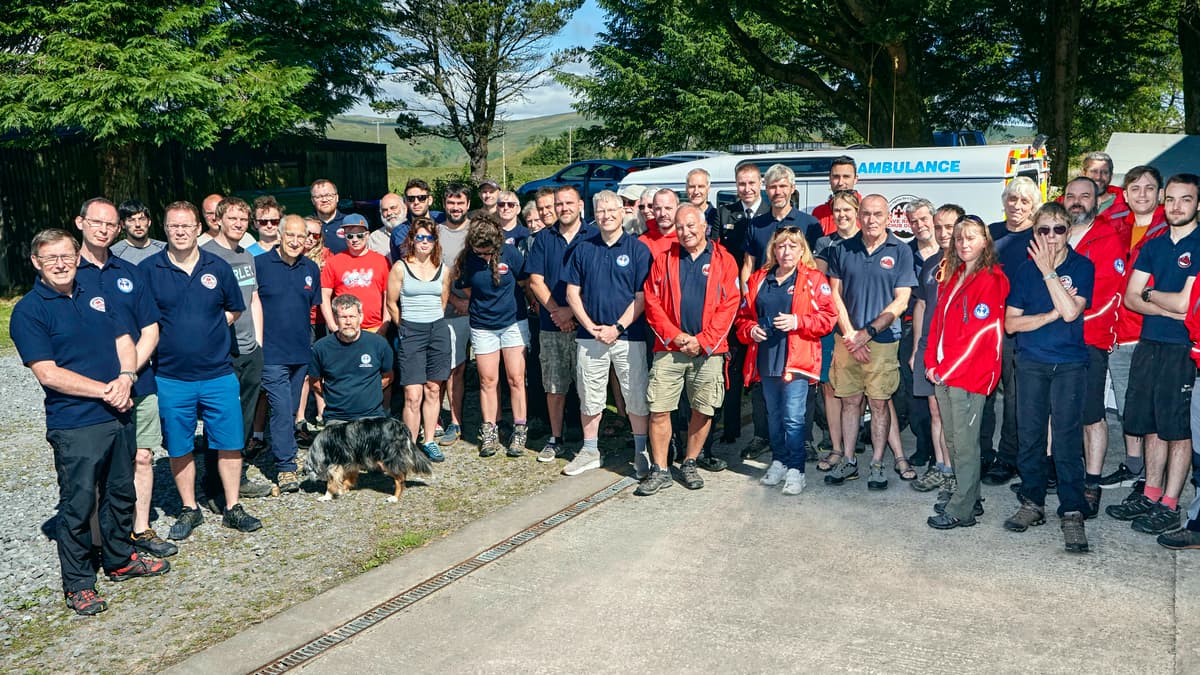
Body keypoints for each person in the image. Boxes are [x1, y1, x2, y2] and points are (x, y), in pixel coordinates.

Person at [11, 228, 170, 616]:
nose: (62, 264)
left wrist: (126, 377)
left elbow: (124, 340)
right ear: (36, 263)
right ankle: (79, 583)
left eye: (66, 256)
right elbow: (48, 373)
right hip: (76, 424)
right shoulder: (30, 310)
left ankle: (120, 559)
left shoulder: (97, 295)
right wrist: (105, 389)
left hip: (118, 411)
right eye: (51, 258)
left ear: (77, 257)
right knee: (79, 503)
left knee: (120, 493)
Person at [144, 201, 260, 540]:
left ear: (199, 228)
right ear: (165, 229)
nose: (180, 232)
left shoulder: (218, 267)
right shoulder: (150, 270)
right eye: (173, 226)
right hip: (171, 376)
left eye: (186, 226)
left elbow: (235, 309)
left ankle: (232, 506)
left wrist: (207, 329)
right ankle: (189, 507)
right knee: (179, 446)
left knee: (229, 443)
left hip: (218, 374)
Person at [75, 199, 174, 559]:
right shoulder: (69, 274)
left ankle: (140, 527)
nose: (103, 229)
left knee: (143, 457)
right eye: (96, 222)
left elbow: (150, 329)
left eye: (110, 224)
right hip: (93, 388)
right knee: (99, 464)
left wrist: (129, 374)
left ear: (118, 230)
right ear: (80, 223)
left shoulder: (131, 273)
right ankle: (101, 540)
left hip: (138, 382)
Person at [1109, 174, 1200, 536]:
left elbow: (1185, 305)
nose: (1177, 206)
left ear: (1198, 204)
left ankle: (1170, 503)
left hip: (1183, 349)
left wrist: (1151, 295)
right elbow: (1132, 297)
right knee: (1148, 423)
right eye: (1172, 199)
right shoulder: (1154, 244)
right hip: (1149, 344)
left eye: (1187, 200)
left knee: (1176, 429)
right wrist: (1163, 303)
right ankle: (1150, 492)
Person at [1002, 202, 1093, 553]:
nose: (1051, 237)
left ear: (1068, 230)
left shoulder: (1082, 266)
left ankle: (1072, 510)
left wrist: (1049, 273)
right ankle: (1032, 502)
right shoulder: (1024, 272)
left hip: (1070, 363)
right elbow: (1011, 324)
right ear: (1034, 234)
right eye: (1043, 230)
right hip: (1031, 362)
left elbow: (1072, 313)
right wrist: (1047, 315)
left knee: (1068, 440)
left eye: (1058, 229)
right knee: (1030, 435)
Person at [639, 204, 741, 495]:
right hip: (670, 349)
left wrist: (704, 340)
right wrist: (676, 337)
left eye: (691, 225)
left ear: (705, 226)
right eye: (680, 227)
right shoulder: (664, 259)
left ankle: (690, 461)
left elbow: (730, 304)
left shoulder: (725, 260)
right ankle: (660, 469)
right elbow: (652, 301)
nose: (685, 232)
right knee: (659, 408)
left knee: (703, 408)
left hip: (709, 350)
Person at [823, 194, 917, 490]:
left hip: (884, 340)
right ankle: (849, 461)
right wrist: (851, 334)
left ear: (888, 217)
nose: (871, 220)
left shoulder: (900, 251)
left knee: (879, 403)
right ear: (858, 216)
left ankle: (877, 464)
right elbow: (833, 294)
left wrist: (869, 333)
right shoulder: (841, 249)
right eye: (866, 214)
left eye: (878, 214)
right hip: (847, 340)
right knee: (850, 401)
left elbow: (902, 300)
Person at [735, 227, 837, 495]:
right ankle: (779, 461)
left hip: (798, 360)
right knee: (774, 417)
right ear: (773, 250)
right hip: (767, 359)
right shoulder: (760, 278)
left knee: (794, 418)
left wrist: (798, 321)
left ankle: (796, 470)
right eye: (781, 246)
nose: (786, 251)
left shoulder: (813, 279)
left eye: (793, 246)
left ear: (802, 250)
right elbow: (743, 318)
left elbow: (828, 318)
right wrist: (750, 331)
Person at [924, 215, 1008, 529]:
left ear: (985, 241)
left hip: (969, 375)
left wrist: (947, 369)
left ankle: (962, 509)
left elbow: (980, 335)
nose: (964, 243)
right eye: (959, 238)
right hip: (944, 372)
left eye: (971, 237)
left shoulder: (991, 278)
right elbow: (938, 323)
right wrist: (931, 362)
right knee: (954, 440)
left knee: (966, 443)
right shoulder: (954, 274)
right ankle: (969, 494)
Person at [563, 190, 652, 477]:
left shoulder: (638, 249)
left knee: (635, 395)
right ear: (594, 214)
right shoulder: (583, 248)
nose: (606, 215)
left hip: (629, 336)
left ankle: (642, 451)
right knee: (589, 395)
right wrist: (590, 327)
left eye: (612, 210)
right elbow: (572, 293)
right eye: (600, 211)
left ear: (622, 212)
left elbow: (641, 297)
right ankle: (590, 450)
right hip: (591, 337)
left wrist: (618, 328)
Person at [1064, 176, 1128, 517]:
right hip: (1053, 342)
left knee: (1091, 415)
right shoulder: (1052, 235)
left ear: (1096, 200)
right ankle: (1062, 475)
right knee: (1059, 413)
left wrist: (1066, 319)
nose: (1077, 202)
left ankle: (1091, 482)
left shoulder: (1107, 239)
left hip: (1088, 341)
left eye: (1084, 196)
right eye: (1071, 196)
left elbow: (1107, 298)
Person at [201, 197, 271, 507]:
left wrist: (257, 341)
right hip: (221, 351)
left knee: (244, 416)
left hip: (248, 349)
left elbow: (254, 298)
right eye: (233, 219)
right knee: (220, 417)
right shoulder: (207, 257)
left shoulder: (247, 257)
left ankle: (237, 477)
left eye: (244, 220)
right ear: (218, 220)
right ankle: (213, 485)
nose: (239, 225)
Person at [1103, 165, 1167, 488]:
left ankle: (1153, 477)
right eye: (1135, 188)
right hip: (1119, 333)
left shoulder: (1169, 230)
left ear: (1160, 194)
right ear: (1125, 195)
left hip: (1153, 333)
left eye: (1149, 188)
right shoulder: (1116, 229)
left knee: (1152, 409)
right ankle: (1132, 465)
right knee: (1127, 405)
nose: (1142, 194)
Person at [982, 175, 1043, 485]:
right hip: (986, 328)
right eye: (1012, 198)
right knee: (983, 393)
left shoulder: (1039, 237)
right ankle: (981, 454)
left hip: (1018, 331)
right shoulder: (991, 233)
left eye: (1024, 201)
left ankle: (1008, 458)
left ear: (1034, 206)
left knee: (1014, 399)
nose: (1016, 205)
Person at [527, 186, 595, 461]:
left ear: (580, 205)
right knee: (554, 385)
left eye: (569, 203)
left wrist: (573, 314)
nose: (563, 208)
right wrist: (557, 312)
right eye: (559, 203)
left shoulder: (593, 236)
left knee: (587, 386)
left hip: (586, 326)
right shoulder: (544, 238)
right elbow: (535, 280)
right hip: (551, 324)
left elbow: (597, 281)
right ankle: (556, 438)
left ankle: (590, 441)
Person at [255, 215, 322, 493]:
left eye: (301, 236)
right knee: (282, 409)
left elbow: (313, 311)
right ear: (280, 236)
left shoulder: (311, 268)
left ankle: (276, 447)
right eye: (290, 235)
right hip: (270, 353)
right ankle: (286, 467)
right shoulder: (259, 265)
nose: (295, 241)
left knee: (292, 408)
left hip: (299, 352)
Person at [454, 213, 530, 457]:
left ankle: (519, 428)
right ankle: (490, 430)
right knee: (488, 380)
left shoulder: (510, 253)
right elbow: (466, 288)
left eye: (489, 253)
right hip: (483, 325)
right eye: (480, 252)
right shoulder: (467, 259)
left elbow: (525, 282)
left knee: (516, 378)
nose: (485, 257)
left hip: (513, 323)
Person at [386, 218, 452, 462]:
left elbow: (442, 301)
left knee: (433, 389)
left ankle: (430, 440)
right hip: (411, 331)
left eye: (429, 238)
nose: (424, 242)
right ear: (412, 240)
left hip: (437, 330)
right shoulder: (401, 267)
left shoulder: (443, 269)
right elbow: (391, 303)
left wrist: (433, 322)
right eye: (420, 237)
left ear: (435, 242)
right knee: (413, 393)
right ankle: (409, 445)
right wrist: (402, 327)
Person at [716, 163, 770, 457]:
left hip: (767, 297)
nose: (746, 189)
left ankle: (771, 430)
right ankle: (732, 426)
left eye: (751, 183)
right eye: (741, 183)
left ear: (760, 183)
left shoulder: (770, 212)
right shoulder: (726, 213)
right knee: (734, 363)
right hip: (735, 299)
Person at [908, 204, 961, 495]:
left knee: (953, 412)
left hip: (954, 350)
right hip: (929, 347)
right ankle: (940, 467)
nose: (943, 233)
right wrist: (917, 347)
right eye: (938, 227)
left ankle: (955, 470)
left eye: (949, 227)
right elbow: (921, 304)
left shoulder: (970, 264)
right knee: (935, 410)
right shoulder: (931, 264)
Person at [813, 190, 860, 474]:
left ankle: (853, 447)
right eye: (837, 210)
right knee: (830, 387)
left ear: (857, 211)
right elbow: (820, 284)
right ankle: (836, 447)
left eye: (847, 209)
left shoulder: (867, 239)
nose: (841, 215)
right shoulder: (824, 242)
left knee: (857, 392)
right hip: (831, 328)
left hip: (862, 327)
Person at [308, 294, 394, 422]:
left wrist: (368, 391)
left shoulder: (379, 344)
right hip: (336, 418)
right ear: (336, 319)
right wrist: (335, 396)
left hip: (372, 417)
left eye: (352, 316)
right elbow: (315, 382)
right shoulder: (321, 348)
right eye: (343, 317)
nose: (348, 322)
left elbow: (388, 376)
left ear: (361, 317)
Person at [741, 163, 820, 286]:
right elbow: (748, 266)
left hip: (799, 295)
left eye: (783, 186)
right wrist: (747, 298)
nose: (778, 192)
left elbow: (816, 266)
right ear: (766, 189)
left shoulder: (810, 224)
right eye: (773, 187)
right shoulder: (756, 225)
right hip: (762, 296)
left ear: (792, 188)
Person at [437, 183, 473, 445]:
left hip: (479, 311)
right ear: (444, 204)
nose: (456, 207)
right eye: (451, 203)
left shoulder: (477, 230)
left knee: (486, 372)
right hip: (450, 312)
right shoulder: (436, 233)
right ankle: (453, 422)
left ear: (468, 204)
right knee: (452, 369)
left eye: (460, 203)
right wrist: (456, 300)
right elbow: (432, 272)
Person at [320, 215, 390, 333]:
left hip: (375, 328)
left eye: (359, 235)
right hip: (345, 329)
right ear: (344, 236)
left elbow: (388, 295)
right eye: (350, 236)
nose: (355, 239)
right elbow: (324, 295)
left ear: (367, 235)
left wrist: (385, 325)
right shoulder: (334, 262)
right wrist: (332, 326)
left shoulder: (382, 261)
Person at [390, 179, 446, 261]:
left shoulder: (442, 219)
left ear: (430, 200)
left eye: (421, 198)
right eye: (411, 199)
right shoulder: (398, 233)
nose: (416, 202)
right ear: (405, 201)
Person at [811, 156, 859, 238]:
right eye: (836, 177)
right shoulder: (819, 213)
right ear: (829, 179)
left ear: (855, 179)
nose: (840, 182)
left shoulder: (866, 211)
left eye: (846, 177)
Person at [110, 199, 165, 264]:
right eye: (131, 220)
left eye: (142, 219)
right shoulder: (114, 253)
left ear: (149, 222)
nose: (138, 224)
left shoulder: (164, 249)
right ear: (123, 224)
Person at [1082, 151, 1129, 220]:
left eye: (1105, 172)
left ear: (1111, 175)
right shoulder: (1066, 204)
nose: (1098, 177)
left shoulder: (1127, 204)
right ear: (1084, 174)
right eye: (1094, 171)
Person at [311, 178, 351, 254]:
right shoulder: (305, 225)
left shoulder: (349, 223)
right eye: (319, 197)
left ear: (337, 198)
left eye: (329, 195)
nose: (324, 200)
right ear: (313, 201)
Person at [640, 188, 679, 259]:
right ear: (654, 210)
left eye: (668, 208)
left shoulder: (686, 238)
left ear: (677, 209)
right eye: (658, 209)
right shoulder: (643, 242)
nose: (662, 214)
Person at [684, 168, 720, 237]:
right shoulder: (681, 216)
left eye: (700, 187)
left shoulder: (718, 217)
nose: (696, 192)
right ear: (686, 188)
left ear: (708, 189)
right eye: (692, 187)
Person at [372, 192, 407, 260]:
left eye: (393, 208)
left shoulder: (416, 230)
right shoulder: (374, 238)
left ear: (405, 208)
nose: (389, 213)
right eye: (385, 210)